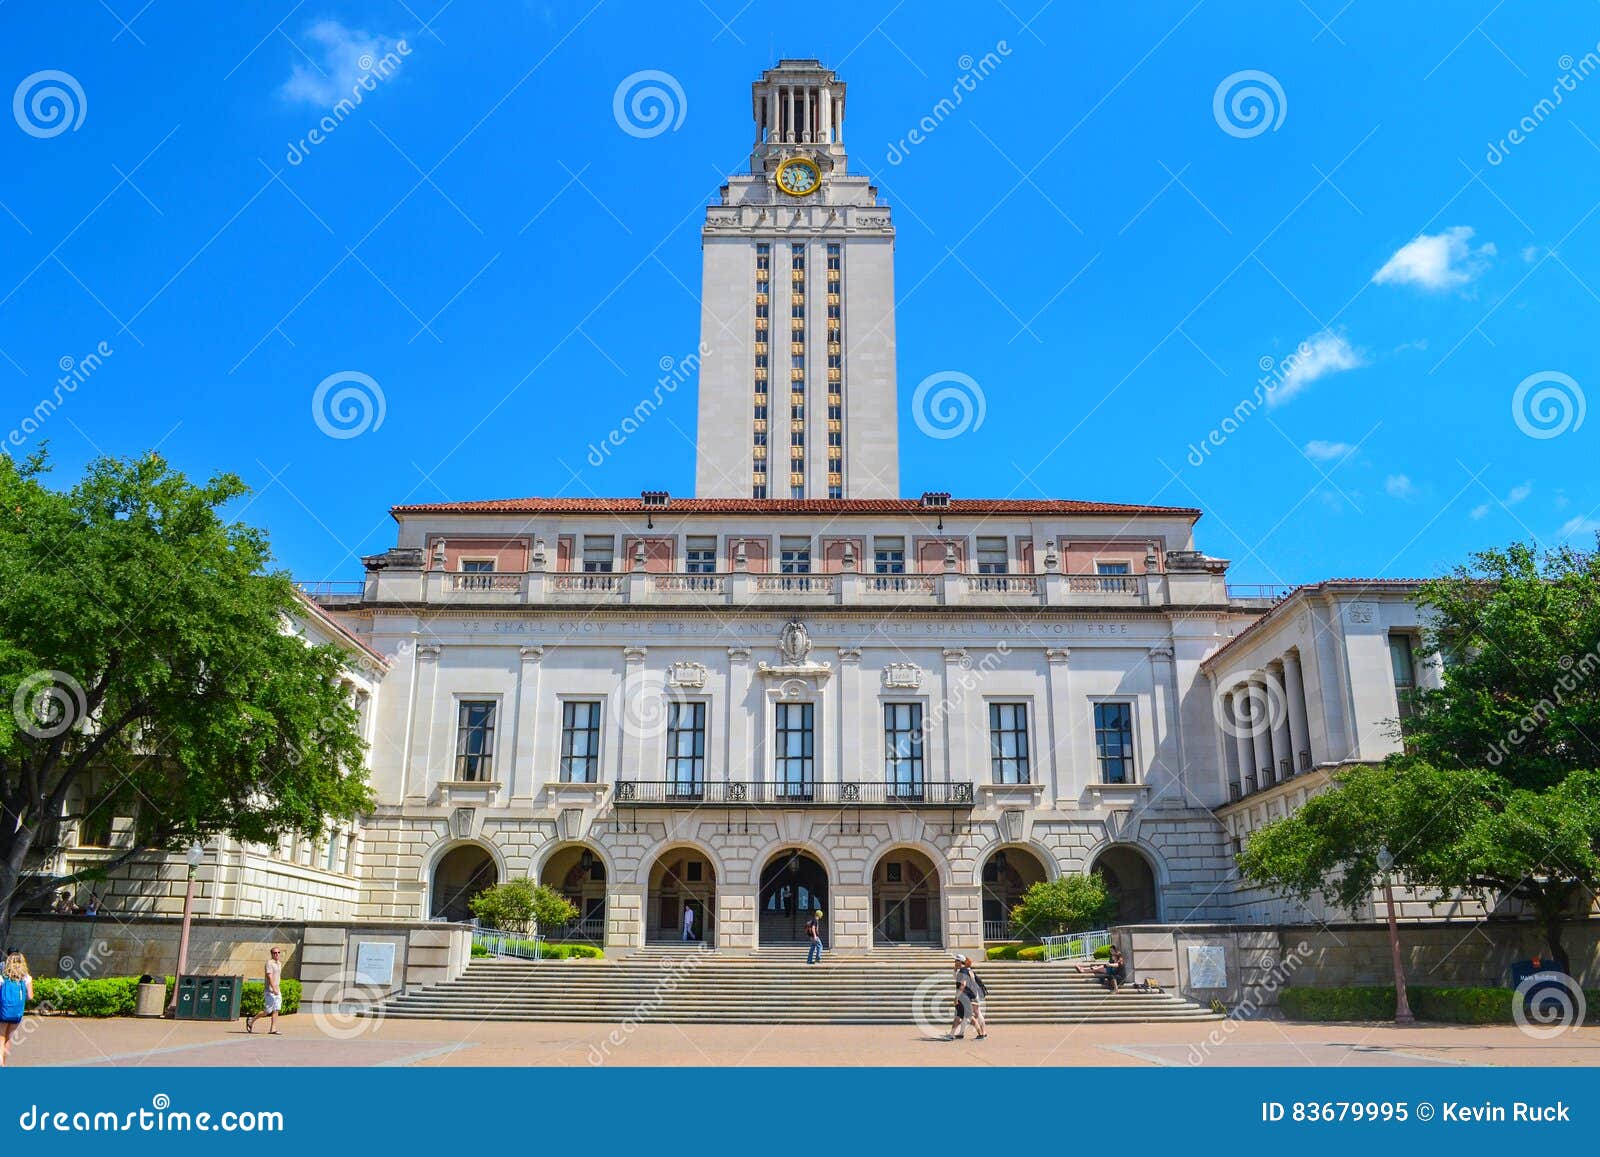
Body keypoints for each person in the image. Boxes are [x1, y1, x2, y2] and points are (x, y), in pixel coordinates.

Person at [0, 952, 33, 1065]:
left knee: (1, 1039)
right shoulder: (26, 978)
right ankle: (4, 1063)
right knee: (8, 1040)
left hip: (3, 1011)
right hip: (17, 1013)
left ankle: (1, 1065)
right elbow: (30, 996)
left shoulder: (2, 977)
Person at [945, 956, 987, 1040]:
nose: (955, 962)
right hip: (967, 995)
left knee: (970, 1016)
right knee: (959, 1015)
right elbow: (958, 980)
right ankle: (952, 1034)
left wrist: (957, 997)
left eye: (956, 961)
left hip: (965, 996)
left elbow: (963, 984)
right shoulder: (967, 970)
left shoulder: (963, 970)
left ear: (960, 962)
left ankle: (981, 1034)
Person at [246, 946, 283, 1034]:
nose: (277, 954)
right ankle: (251, 1020)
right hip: (270, 991)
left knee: (276, 1009)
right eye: (275, 953)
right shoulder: (269, 963)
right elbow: (269, 976)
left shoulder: (279, 963)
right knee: (267, 1011)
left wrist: (277, 989)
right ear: (271, 954)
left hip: (277, 990)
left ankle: (273, 1029)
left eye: (278, 952)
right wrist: (273, 988)